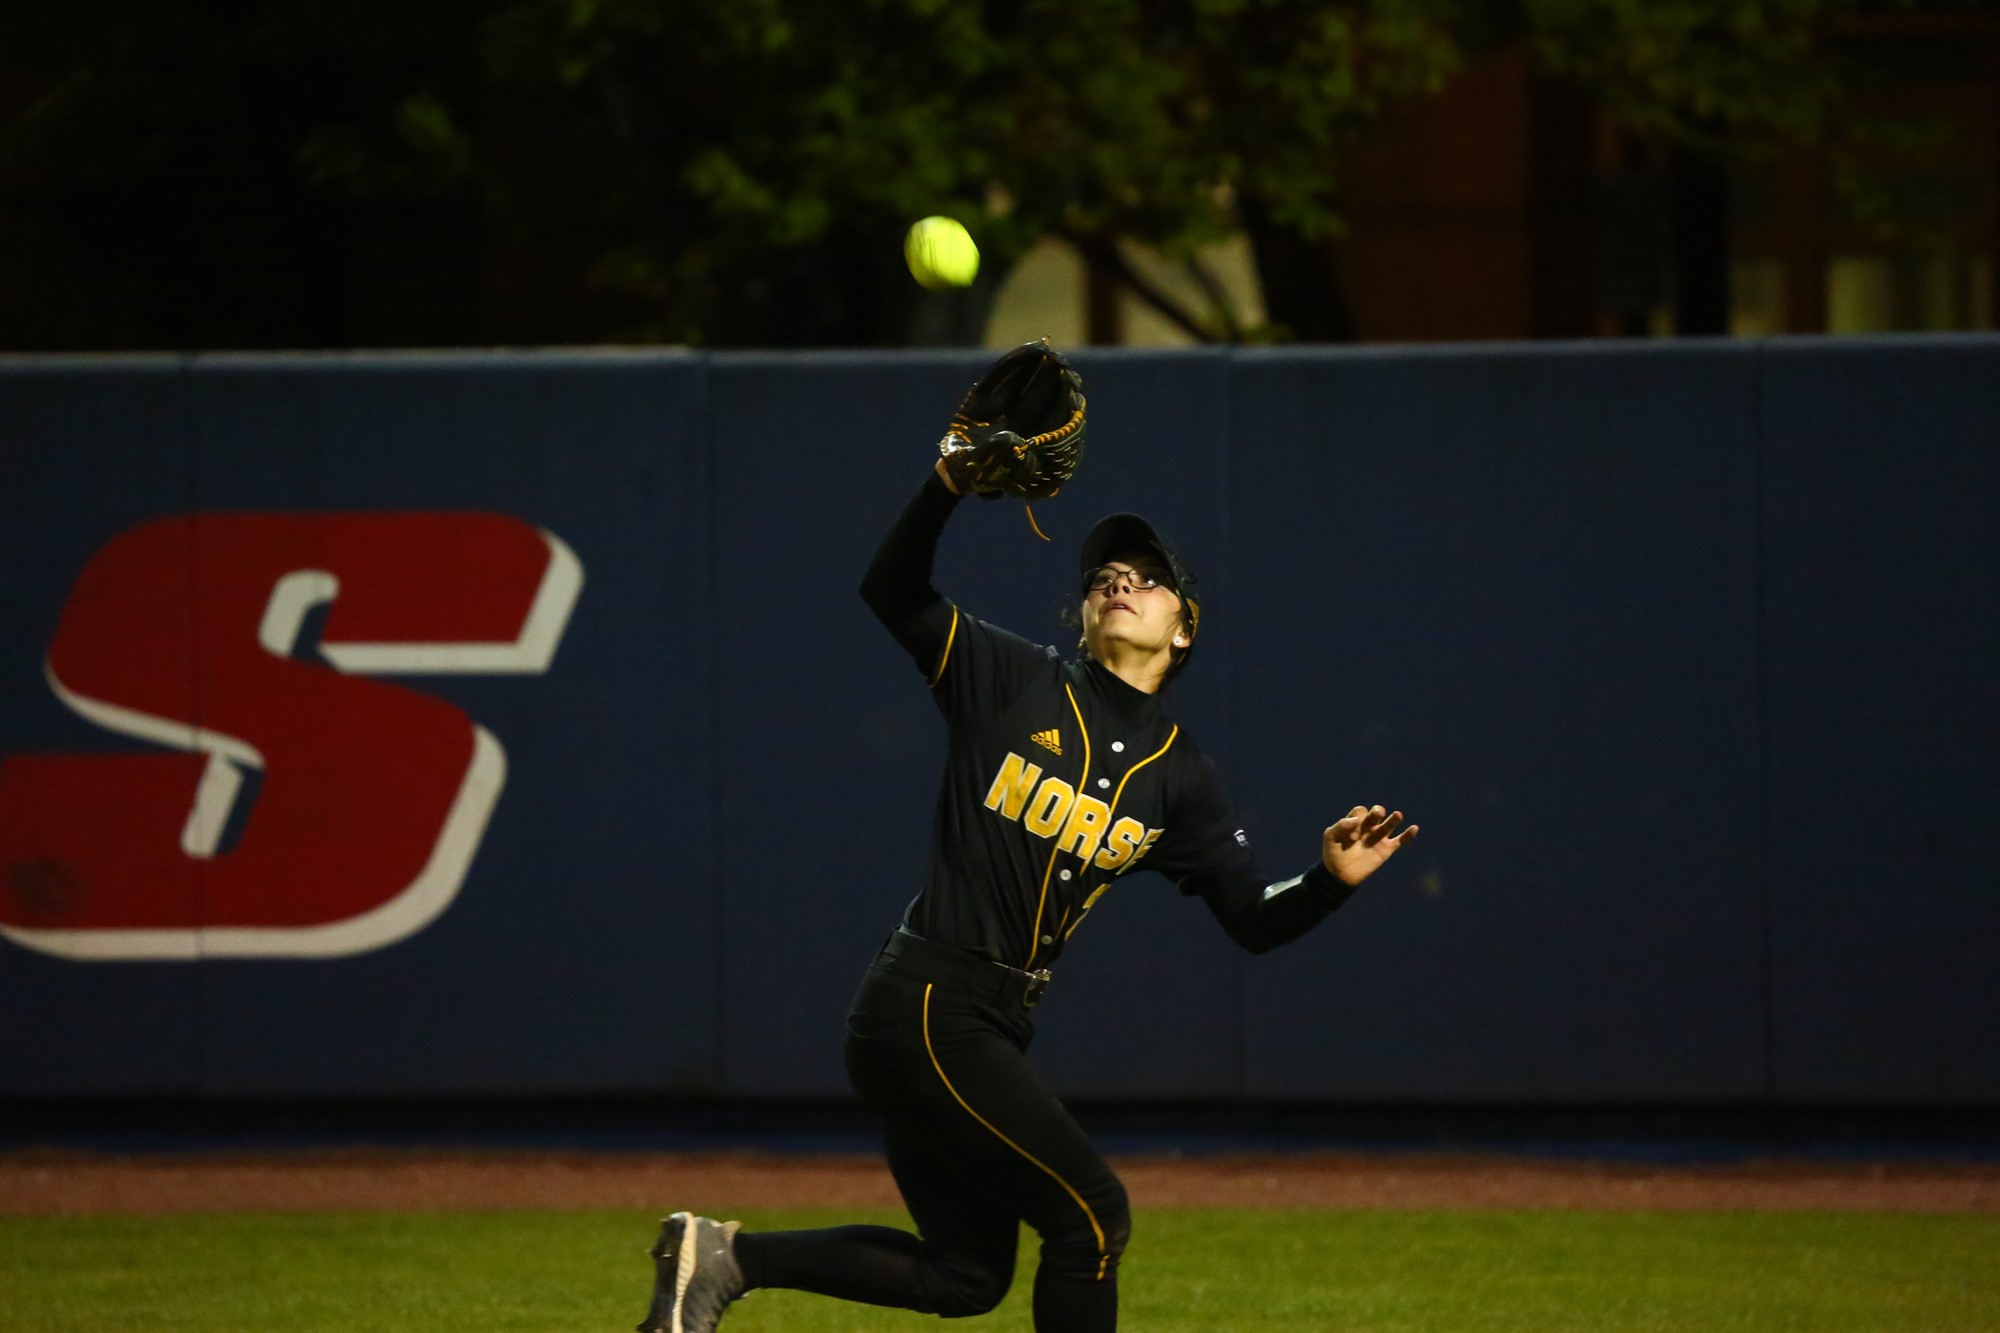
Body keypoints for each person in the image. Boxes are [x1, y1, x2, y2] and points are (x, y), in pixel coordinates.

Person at [639, 458, 1419, 1333]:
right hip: (929, 1002)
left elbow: (1252, 920)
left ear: (1184, 628)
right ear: (1085, 616)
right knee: (1092, 1217)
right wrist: (947, 481)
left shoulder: (1183, 779)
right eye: (1103, 578)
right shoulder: (1014, 678)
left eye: (1148, 577)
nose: (1121, 581)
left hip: (987, 1020)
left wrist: (1325, 882)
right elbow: (891, 587)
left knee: (964, 1275)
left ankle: (727, 1256)